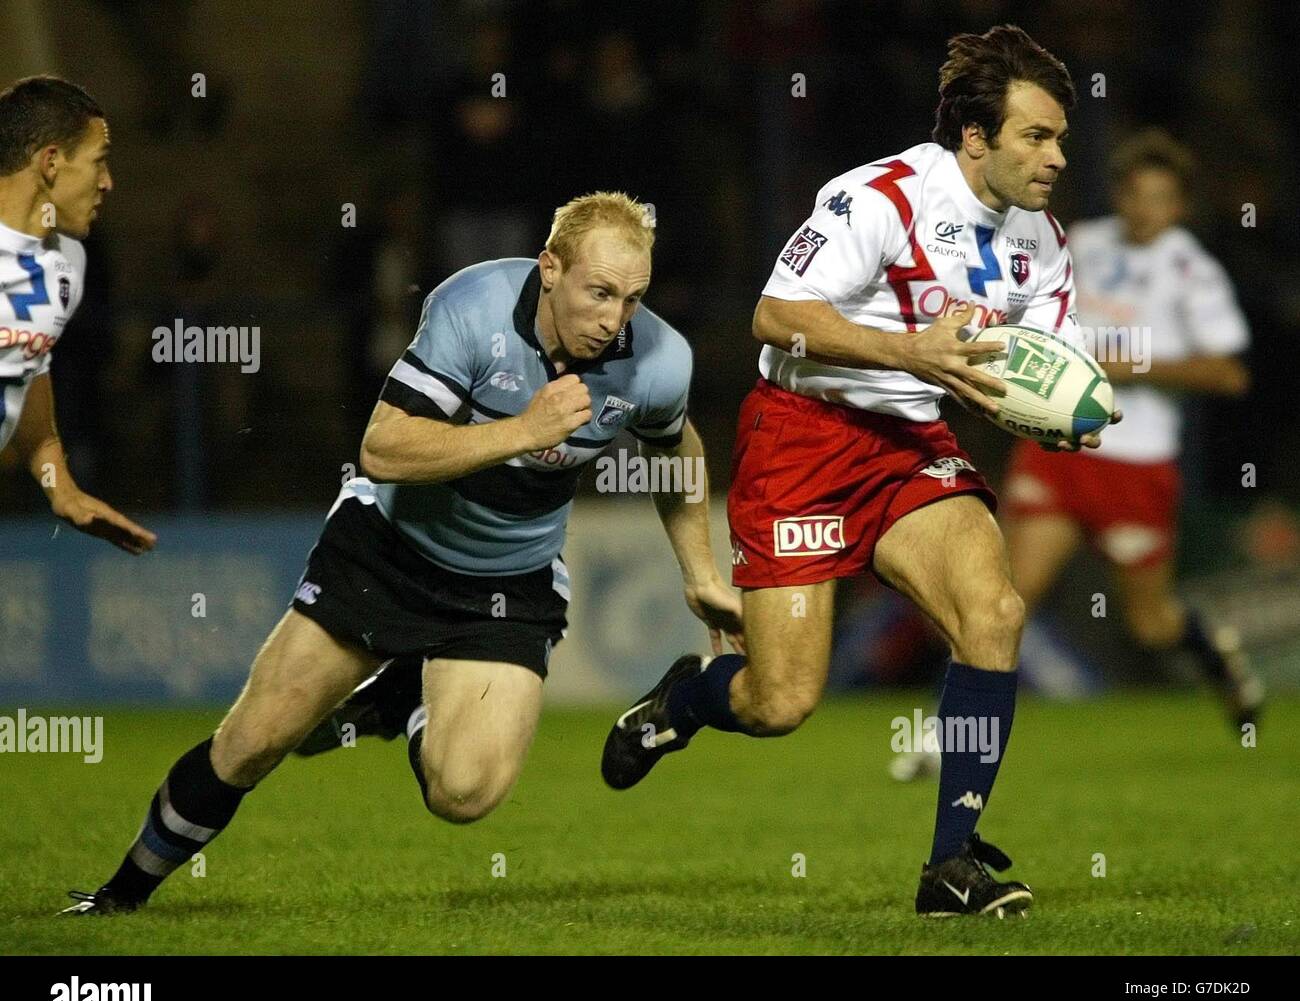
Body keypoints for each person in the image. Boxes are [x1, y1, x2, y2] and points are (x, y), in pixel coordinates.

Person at [62, 191, 742, 915]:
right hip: (388, 551)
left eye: (632, 299)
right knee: (252, 744)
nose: (614, 319)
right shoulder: (473, 307)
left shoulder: (660, 361)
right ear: (550, 269)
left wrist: (700, 572)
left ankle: (402, 697)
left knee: (465, 794)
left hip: (506, 583)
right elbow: (383, 448)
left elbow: (679, 450)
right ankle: (118, 898)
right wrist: (522, 429)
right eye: (599, 292)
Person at [602, 25, 1117, 918]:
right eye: (1037, 136)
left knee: (993, 613)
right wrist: (907, 350)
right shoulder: (878, 196)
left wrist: (1075, 417)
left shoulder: (1043, 241)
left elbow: (1049, 365)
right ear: (975, 138)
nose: (1057, 156)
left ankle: (950, 865)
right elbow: (774, 316)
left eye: (1061, 137)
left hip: (909, 445)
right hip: (801, 438)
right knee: (781, 701)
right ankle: (686, 699)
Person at [1002, 128, 1262, 726]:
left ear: (1180, 206)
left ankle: (1215, 657)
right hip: (1060, 446)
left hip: (1137, 463)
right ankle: (949, 736)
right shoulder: (1080, 243)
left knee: (1151, 625)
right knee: (1007, 599)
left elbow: (1229, 374)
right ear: (1118, 194)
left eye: (1161, 196)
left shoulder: (1193, 271)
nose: (1145, 208)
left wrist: (1128, 363)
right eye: (1136, 192)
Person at [0, 75, 155, 555]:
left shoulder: (65, 266)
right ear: (51, 163)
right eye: (98, 163)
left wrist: (59, 484)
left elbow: (26, 366)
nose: (108, 183)